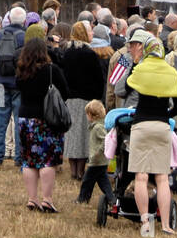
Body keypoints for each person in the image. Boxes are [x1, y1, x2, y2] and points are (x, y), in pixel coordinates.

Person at [124, 38, 177, 233]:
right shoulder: (171, 71)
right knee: (162, 177)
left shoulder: (141, 69)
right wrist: (165, 116)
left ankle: (145, 223)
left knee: (141, 176)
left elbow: (127, 86)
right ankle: (165, 224)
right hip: (162, 126)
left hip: (141, 124)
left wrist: (136, 61)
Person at [14, 35, 70, 213]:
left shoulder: (22, 71)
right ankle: (47, 199)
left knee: (29, 161)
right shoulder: (52, 70)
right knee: (47, 161)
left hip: (25, 119)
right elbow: (65, 92)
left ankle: (32, 198)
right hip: (46, 119)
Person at [62, 19, 107, 181]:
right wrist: (98, 97)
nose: (92, 33)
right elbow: (98, 79)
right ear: (83, 34)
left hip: (70, 99)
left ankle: (73, 170)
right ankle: (80, 171)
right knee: (83, 137)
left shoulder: (66, 52)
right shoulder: (89, 54)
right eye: (90, 31)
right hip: (86, 99)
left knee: (72, 134)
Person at [0, 8, 25, 167]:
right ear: (24, 21)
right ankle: (19, 157)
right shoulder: (24, 37)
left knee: (0, 121)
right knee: (19, 122)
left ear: (9, 20)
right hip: (18, 84)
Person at [77, 100, 115, 206]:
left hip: (97, 161)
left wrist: (98, 152)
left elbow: (105, 140)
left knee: (87, 181)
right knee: (103, 181)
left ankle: (82, 199)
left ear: (92, 115)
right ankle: (111, 198)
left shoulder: (98, 128)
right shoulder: (98, 126)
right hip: (101, 161)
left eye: (87, 114)